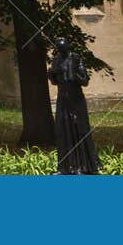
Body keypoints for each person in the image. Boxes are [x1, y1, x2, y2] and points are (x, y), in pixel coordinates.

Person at [48, 37, 101, 174]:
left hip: (76, 99)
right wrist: (51, 75)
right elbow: (55, 82)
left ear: (68, 48)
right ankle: (64, 168)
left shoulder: (76, 58)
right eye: (59, 50)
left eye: (63, 49)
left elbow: (85, 81)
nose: (61, 52)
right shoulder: (56, 60)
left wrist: (74, 76)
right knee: (63, 131)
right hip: (63, 99)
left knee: (79, 130)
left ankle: (83, 166)